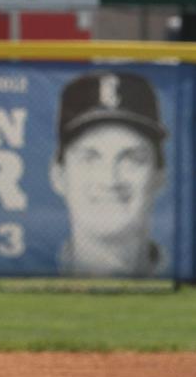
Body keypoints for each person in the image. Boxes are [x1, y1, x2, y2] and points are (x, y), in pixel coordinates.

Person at [50, 71, 169, 278]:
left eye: (132, 158)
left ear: (159, 176)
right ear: (59, 176)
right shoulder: (40, 274)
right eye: (90, 158)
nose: (110, 179)